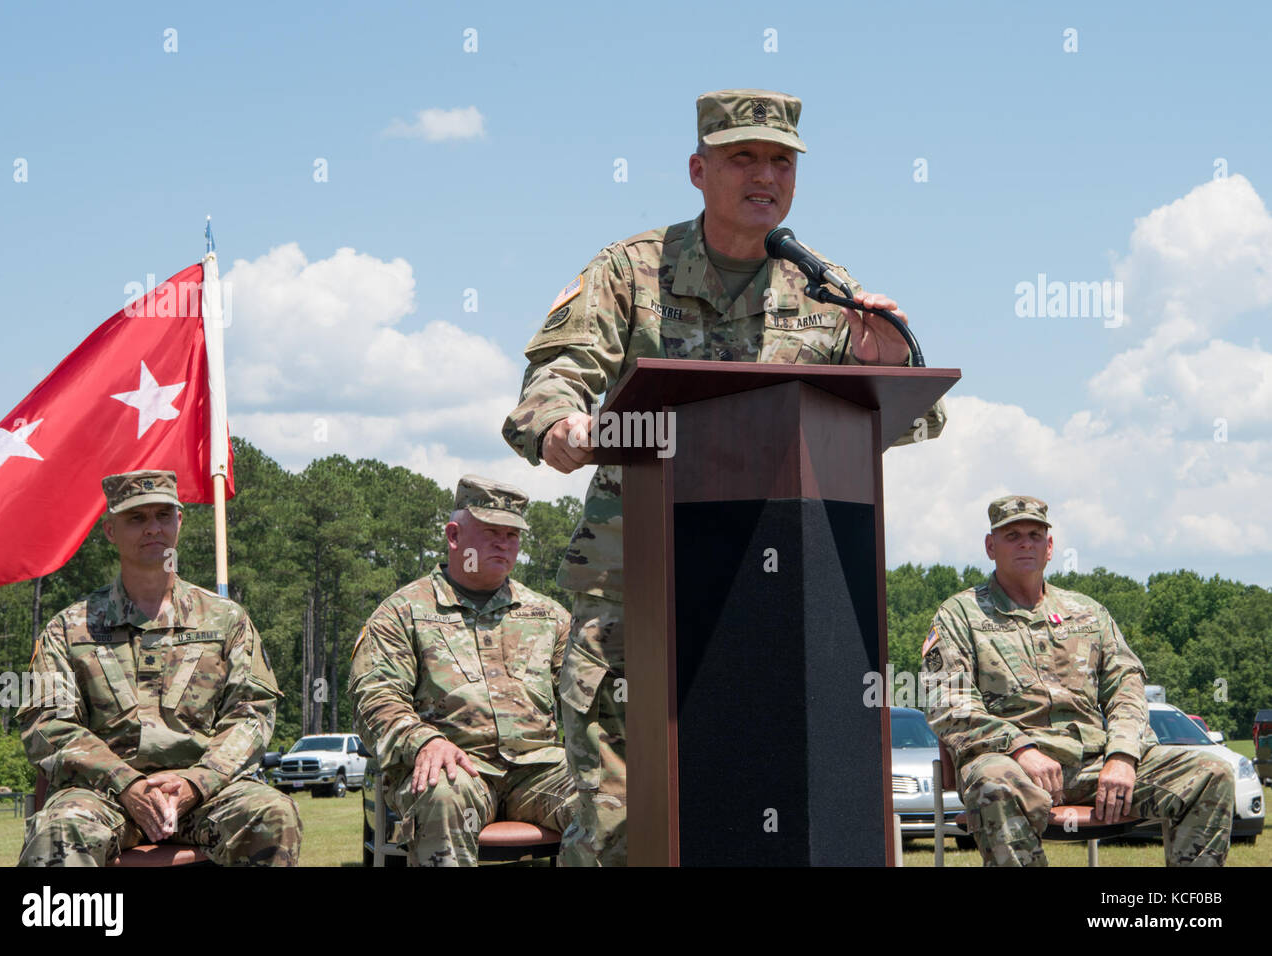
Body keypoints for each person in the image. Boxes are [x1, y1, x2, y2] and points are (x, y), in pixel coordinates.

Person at [502, 88, 947, 866]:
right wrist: (562, 423)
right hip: (636, 592)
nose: (765, 175)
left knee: (763, 819)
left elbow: (909, 413)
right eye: (743, 157)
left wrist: (883, 358)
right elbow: (557, 374)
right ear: (698, 169)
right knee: (621, 828)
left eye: (781, 160)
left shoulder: (823, 285)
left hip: (781, 606)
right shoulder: (631, 271)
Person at [921, 494, 1235, 866]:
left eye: (1035, 535)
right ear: (991, 546)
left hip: (1094, 765)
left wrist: (1121, 756)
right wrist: (1021, 747)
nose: (1025, 543)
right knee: (994, 780)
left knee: (1211, 772)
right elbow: (948, 703)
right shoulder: (959, 615)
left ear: (1050, 547)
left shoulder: (1088, 614)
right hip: (1014, 767)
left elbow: (1127, 689)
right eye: (1012, 535)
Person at [17, 470, 300, 866]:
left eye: (163, 515)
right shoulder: (69, 628)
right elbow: (47, 725)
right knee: (61, 829)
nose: (153, 528)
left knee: (272, 814)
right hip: (103, 796)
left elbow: (252, 715)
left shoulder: (225, 621)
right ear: (110, 530)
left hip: (205, 794)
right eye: (137, 518)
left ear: (179, 522)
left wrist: (195, 783)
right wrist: (125, 782)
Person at [348, 475, 575, 866]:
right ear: (454, 536)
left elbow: (586, 701)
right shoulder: (403, 612)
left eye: (512, 535)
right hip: (455, 768)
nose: (504, 543)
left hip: (537, 771)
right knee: (443, 793)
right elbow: (375, 699)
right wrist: (424, 741)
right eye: (491, 532)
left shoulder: (548, 616)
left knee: (612, 798)